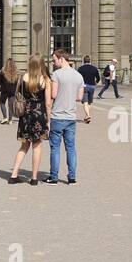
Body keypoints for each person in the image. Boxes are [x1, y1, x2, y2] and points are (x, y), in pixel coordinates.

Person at [10, 54, 50, 186]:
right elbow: (48, 103)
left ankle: (14, 174)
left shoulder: (23, 77)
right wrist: (49, 120)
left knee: (24, 145)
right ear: (41, 64)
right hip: (39, 114)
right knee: (37, 146)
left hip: (25, 115)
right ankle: (34, 178)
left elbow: (18, 94)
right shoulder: (45, 80)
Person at [46, 50, 84, 185]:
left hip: (57, 116)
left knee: (55, 148)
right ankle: (72, 177)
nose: (53, 62)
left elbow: (54, 94)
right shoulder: (79, 76)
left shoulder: (56, 74)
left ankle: (54, 177)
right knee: (71, 148)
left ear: (61, 59)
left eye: (54, 60)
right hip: (71, 116)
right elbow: (79, 97)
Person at [78, 55, 99, 123]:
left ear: (83, 61)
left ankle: (88, 115)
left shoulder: (80, 69)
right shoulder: (94, 68)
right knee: (89, 102)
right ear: (90, 61)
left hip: (84, 86)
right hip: (92, 86)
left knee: (85, 102)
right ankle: (86, 116)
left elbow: (78, 78)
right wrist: (95, 83)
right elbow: (98, 78)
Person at [0, 59, 20, 124]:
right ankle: (10, 120)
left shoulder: (2, 71)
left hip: (4, 90)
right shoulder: (16, 72)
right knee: (10, 105)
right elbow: (18, 82)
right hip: (13, 90)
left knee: (2, 103)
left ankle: (5, 117)